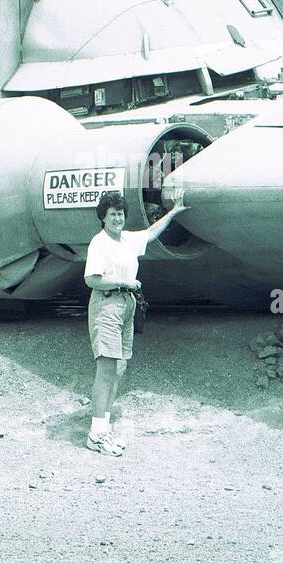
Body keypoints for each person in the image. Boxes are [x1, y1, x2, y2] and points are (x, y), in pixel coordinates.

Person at [82, 190, 188, 456]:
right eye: (112, 214)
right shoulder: (99, 242)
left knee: (118, 368)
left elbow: (151, 233)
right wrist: (123, 282)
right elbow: (92, 280)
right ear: (103, 217)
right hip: (107, 304)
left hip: (127, 305)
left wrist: (174, 212)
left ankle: (103, 429)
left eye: (120, 214)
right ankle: (95, 435)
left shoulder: (127, 239)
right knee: (106, 369)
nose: (118, 218)